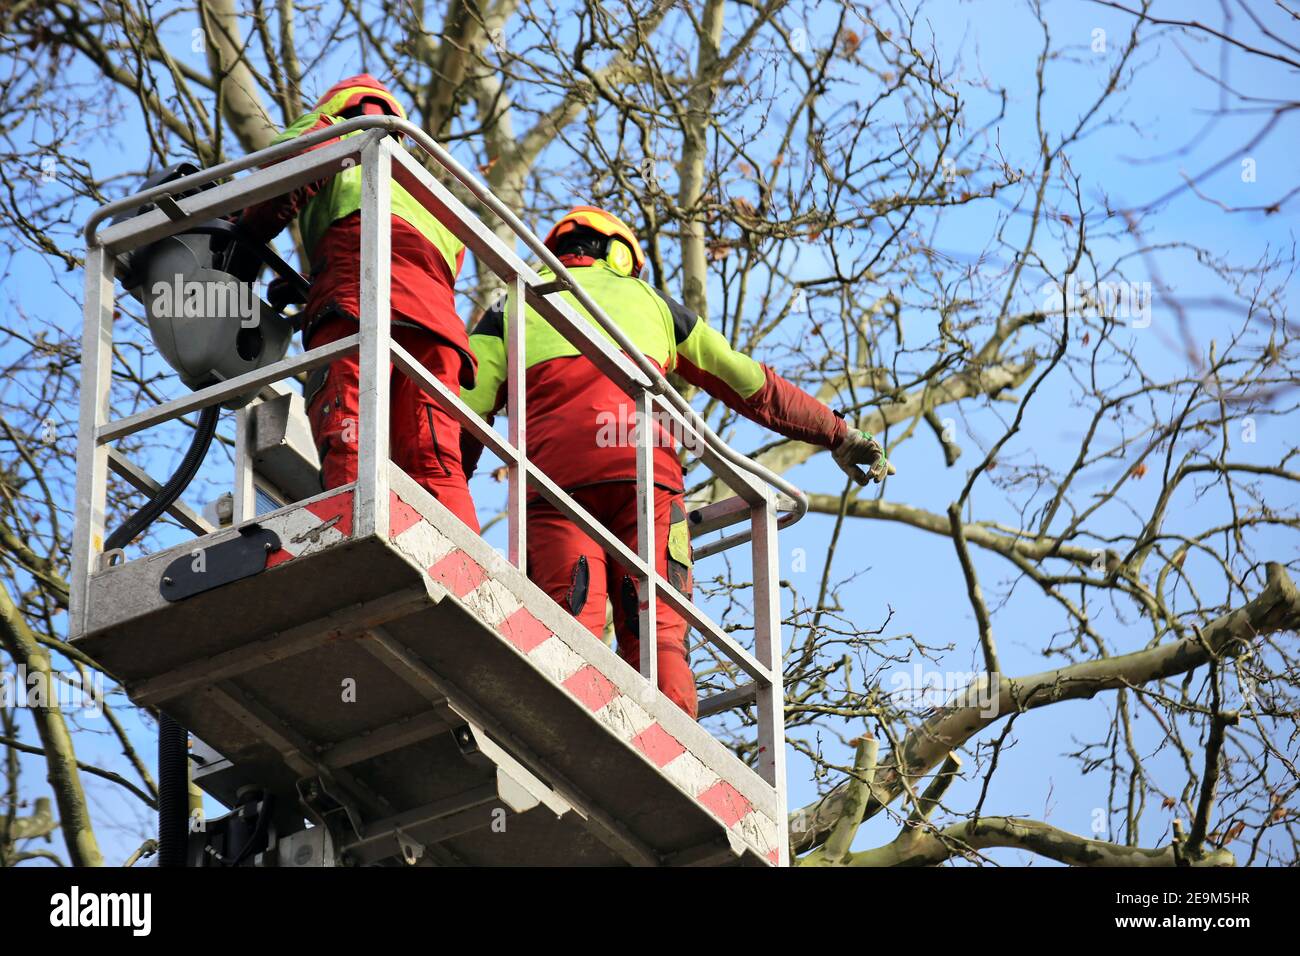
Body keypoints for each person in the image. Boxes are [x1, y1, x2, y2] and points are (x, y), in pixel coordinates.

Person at [460, 206, 893, 716]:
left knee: (566, 621)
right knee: (659, 637)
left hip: (554, 486)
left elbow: (462, 402)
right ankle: (672, 755)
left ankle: (565, 738)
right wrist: (836, 433)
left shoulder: (512, 305)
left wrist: (440, 490)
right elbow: (751, 383)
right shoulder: (655, 304)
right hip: (648, 483)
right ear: (621, 255)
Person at [239, 74, 478, 530]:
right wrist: (309, 281)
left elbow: (277, 184)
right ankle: (464, 571)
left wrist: (237, 236)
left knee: (350, 434)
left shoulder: (333, 129)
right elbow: (411, 260)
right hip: (437, 332)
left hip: (356, 309)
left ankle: (352, 539)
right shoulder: (429, 190)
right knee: (435, 459)